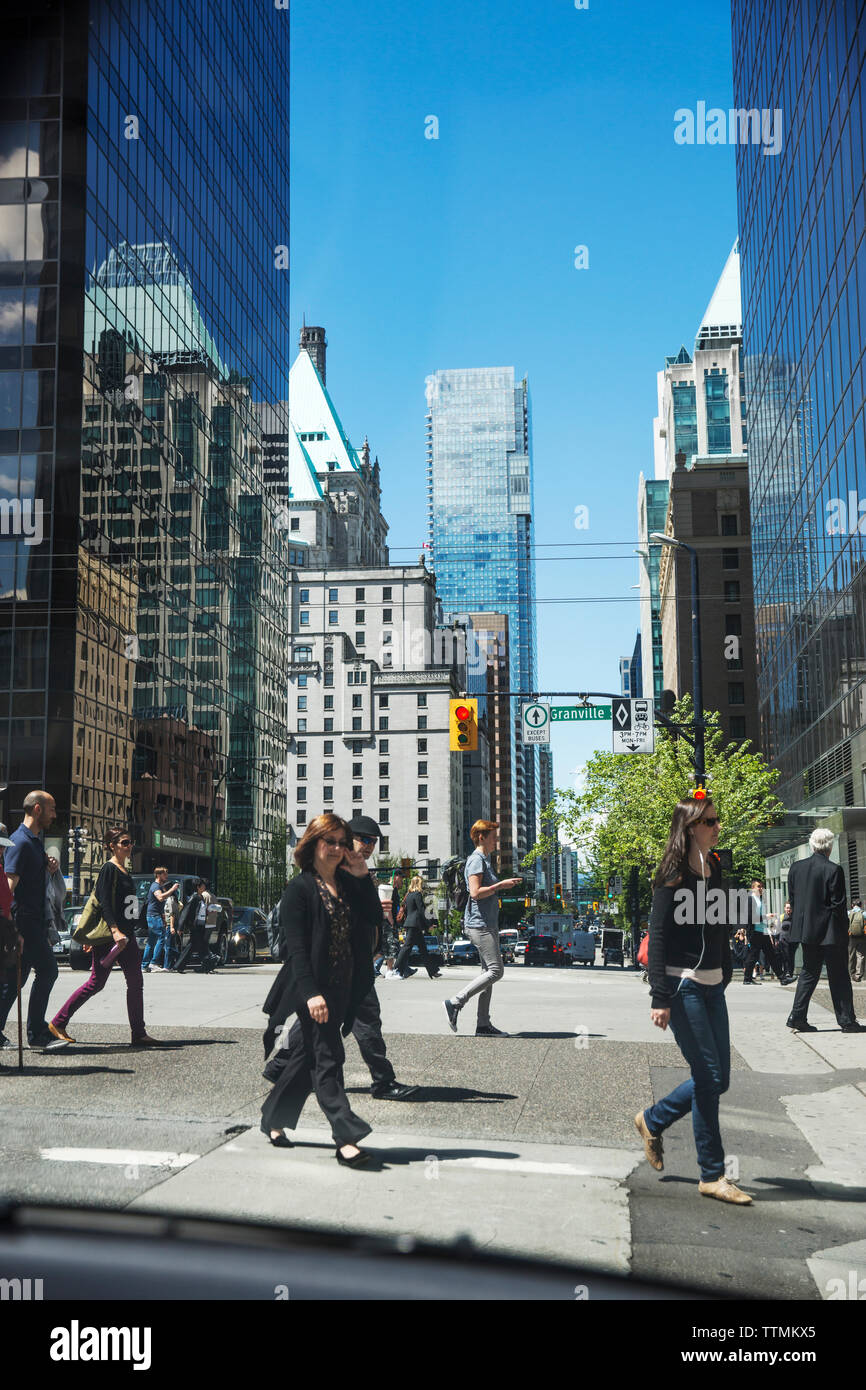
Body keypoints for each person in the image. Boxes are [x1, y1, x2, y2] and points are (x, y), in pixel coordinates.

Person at [634, 797, 752, 1205]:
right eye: (710, 821)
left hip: (712, 985)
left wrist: (726, 969)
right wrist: (659, 997)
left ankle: (653, 1119)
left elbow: (718, 921)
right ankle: (712, 1174)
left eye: (717, 820)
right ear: (689, 828)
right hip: (681, 986)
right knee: (708, 1077)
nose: (717, 826)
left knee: (719, 1079)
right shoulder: (672, 873)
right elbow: (660, 935)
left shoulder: (714, 866)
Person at [264, 816, 418, 1103]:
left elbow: (369, 916)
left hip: (352, 962)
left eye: (375, 842)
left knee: (330, 1019)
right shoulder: (329, 872)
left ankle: (280, 1065)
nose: (371, 846)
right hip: (337, 964)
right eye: (366, 840)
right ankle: (382, 1081)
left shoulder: (356, 870)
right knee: (362, 1018)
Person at [260, 814, 377, 1165]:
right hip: (311, 988)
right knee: (329, 1058)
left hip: (345, 985)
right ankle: (346, 1136)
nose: (338, 849)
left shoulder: (347, 881)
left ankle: (272, 1117)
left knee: (306, 1057)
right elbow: (295, 949)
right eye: (331, 842)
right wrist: (311, 994)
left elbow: (372, 916)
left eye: (343, 842)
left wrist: (362, 876)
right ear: (313, 844)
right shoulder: (299, 890)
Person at [49, 828, 158, 1048]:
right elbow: (105, 902)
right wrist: (114, 930)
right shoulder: (109, 869)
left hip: (127, 937)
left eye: (131, 842)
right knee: (96, 983)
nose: (129, 846)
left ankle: (138, 1033)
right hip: (113, 936)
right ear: (112, 845)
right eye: (125, 842)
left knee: (136, 982)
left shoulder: (125, 871)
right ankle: (58, 1022)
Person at [0, 790, 66, 1051]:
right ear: (37, 809)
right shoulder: (20, 842)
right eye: (51, 809)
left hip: (32, 921)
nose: (54, 814)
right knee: (48, 970)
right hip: (25, 921)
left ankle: (29, 1032)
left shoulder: (33, 842)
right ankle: (37, 1033)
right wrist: (11, 928)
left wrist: (46, 867)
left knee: (14, 981)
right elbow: (9, 885)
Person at [443, 820, 521, 1037]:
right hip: (479, 924)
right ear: (481, 837)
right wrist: (500, 885)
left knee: (487, 974)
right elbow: (475, 893)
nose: (496, 839)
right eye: (493, 836)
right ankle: (455, 1002)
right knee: (496, 971)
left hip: (488, 923)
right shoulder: (476, 860)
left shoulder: (484, 860)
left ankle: (483, 1025)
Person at [786, 830, 863, 1033]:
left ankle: (797, 1015)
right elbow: (838, 906)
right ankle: (846, 1020)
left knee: (808, 973)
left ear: (812, 845)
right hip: (830, 932)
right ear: (829, 847)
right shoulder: (833, 870)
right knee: (838, 976)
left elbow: (793, 901)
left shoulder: (796, 868)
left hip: (807, 931)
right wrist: (843, 930)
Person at [742, 881, 792, 985]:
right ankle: (747, 978)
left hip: (762, 932)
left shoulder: (760, 900)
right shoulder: (750, 900)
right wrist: (766, 916)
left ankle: (782, 978)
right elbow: (751, 918)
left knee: (771, 955)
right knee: (753, 956)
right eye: (758, 887)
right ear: (753, 888)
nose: (761, 889)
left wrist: (768, 932)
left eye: (762, 887)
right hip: (755, 932)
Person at [394, 876, 441, 979]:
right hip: (414, 925)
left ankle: (432, 971)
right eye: (422, 883)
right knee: (406, 947)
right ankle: (396, 969)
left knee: (423, 949)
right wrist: (429, 924)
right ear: (418, 883)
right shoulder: (417, 894)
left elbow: (408, 911)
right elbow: (421, 910)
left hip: (411, 924)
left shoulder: (408, 895)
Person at [141, 867, 180, 974]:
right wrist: (172, 889)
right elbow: (160, 898)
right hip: (153, 916)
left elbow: (160, 903)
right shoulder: (155, 886)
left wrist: (163, 917)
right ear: (158, 875)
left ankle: (144, 965)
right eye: (164, 874)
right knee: (161, 937)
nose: (166, 877)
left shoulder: (158, 886)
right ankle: (153, 963)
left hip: (155, 915)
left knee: (151, 941)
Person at [174, 881, 216, 973]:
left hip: (201, 925)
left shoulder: (201, 898)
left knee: (201, 946)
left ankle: (207, 966)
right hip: (195, 926)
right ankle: (180, 966)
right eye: (203, 886)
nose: (205, 887)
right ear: (198, 887)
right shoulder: (194, 898)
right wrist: (180, 927)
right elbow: (186, 912)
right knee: (194, 946)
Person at [162, 888, 181, 971]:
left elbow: (172, 914)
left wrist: (171, 927)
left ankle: (167, 966)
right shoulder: (175, 899)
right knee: (172, 946)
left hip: (171, 924)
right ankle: (179, 961)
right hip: (170, 924)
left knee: (168, 946)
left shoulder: (170, 900)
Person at [848, 899, 865, 983]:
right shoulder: (864, 913)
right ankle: (858, 976)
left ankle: (851, 974)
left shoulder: (849, 913)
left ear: (852, 905)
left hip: (851, 937)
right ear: (861, 905)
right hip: (861, 937)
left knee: (851, 955)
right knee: (860, 955)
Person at [777, 900, 794, 980]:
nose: (788, 910)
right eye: (787, 908)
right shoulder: (781, 917)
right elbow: (777, 928)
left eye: (790, 908)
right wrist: (776, 940)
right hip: (783, 940)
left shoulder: (794, 917)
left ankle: (790, 972)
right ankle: (786, 972)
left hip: (792, 940)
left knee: (791, 956)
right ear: (784, 908)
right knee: (785, 956)